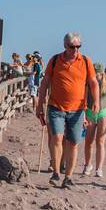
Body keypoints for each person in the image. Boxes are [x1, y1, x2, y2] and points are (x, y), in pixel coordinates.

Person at [35, 31, 99, 188]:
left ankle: (68, 177)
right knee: (56, 138)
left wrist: (96, 101)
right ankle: (56, 172)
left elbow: (93, 83)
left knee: (73, 143)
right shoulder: (55, 60)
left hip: (77, 110)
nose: (75, 49)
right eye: (72, 46)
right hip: (56, 106)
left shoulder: (85, 61)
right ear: (65, 45)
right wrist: (40, 103)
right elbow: (45, 83)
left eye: (78, 46)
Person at [81, 61, 106, 177]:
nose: (96, 76)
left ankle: (99, 168)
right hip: (90, 113)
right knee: (88, 141)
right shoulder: (88, 82)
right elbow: (84, 101)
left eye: (97, 73)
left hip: (104, 113)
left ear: (102, 73)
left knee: (100, 142)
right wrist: (83, 117)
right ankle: (88, 165)